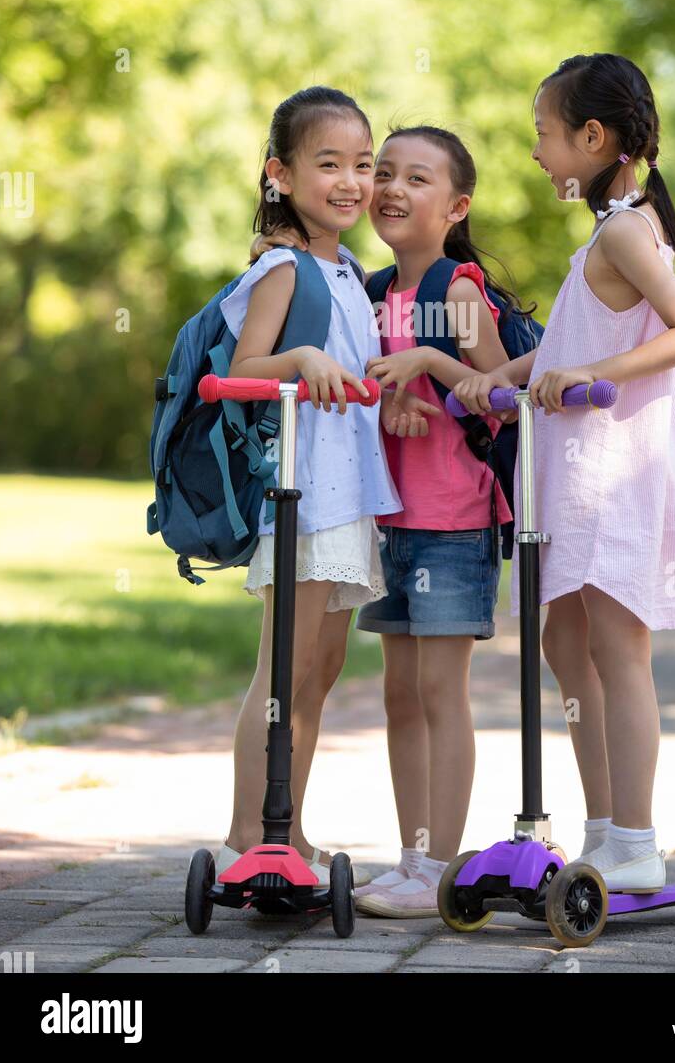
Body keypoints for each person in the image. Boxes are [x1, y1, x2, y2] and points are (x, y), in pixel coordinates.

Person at [453, 53, 675, 893]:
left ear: (593, 138)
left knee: (617, 651)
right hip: (573, 476)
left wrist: (581, 379)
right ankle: (605, 828)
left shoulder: (624, 230)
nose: (536, 151)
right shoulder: (611, 231)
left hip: (614, 475)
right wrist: (510, 375)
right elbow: (574, 348)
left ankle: (634, 836)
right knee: (565, 641)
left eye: (544, 133)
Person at [255, 124, 531, 916]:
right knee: (399, 695)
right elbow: (366, 393)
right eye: (389, 175)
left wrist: (432, 369)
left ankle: (442, 863)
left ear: (456, 206)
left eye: (418, 179)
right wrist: (398, 396)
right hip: (390, 521)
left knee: (442, 690)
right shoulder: (368, 291)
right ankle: (411, 855)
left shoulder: (456, 288)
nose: (392, 190)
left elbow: (498, 397)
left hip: (452, 522)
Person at [215, 84, 414, 886]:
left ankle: (286, 833)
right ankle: (244, 839)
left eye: (363, 165)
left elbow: (352, 371)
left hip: (345, 500)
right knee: (282, 670)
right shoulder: (283, 270)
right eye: (328, 163)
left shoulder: (350, 271)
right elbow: (242, 372)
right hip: (299, 497)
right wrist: (298, 362)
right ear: (280, 174)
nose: (351, 182)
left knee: (320, 672)